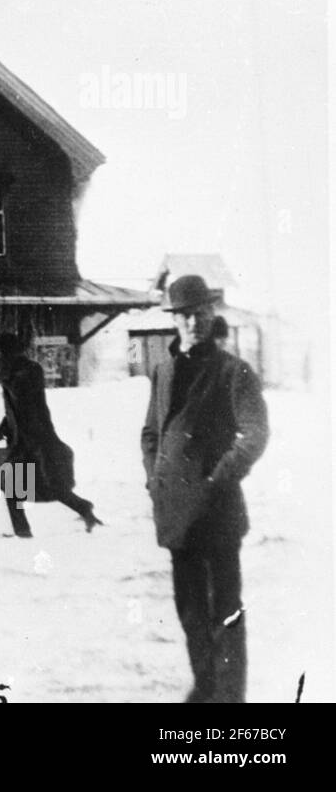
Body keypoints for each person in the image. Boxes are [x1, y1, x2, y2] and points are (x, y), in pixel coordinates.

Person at [141, 274, 269, 704]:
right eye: (184, 316)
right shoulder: (163, 370)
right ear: (174, 321)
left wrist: (217, 481)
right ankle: (206, 686)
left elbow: (255, 434)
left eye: (200, 313)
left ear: (212, 314)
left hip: (216, 513)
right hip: (177, 513)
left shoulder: (233, 371)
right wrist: (154, 481)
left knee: (224, 611)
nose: (193, 322)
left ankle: (229, 699)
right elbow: (151, 433)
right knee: (190, 611)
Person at [0, 333, 102, 538]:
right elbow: (15, 408)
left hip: (38, 439)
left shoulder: (28, 372)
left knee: (53, 486)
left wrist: (2, 375)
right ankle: (23, 532)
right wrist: (5, 425)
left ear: (8, 353)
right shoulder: (12, 373)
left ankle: (84, 508)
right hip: (21, 439)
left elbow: (26, 403)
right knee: (13, 486)